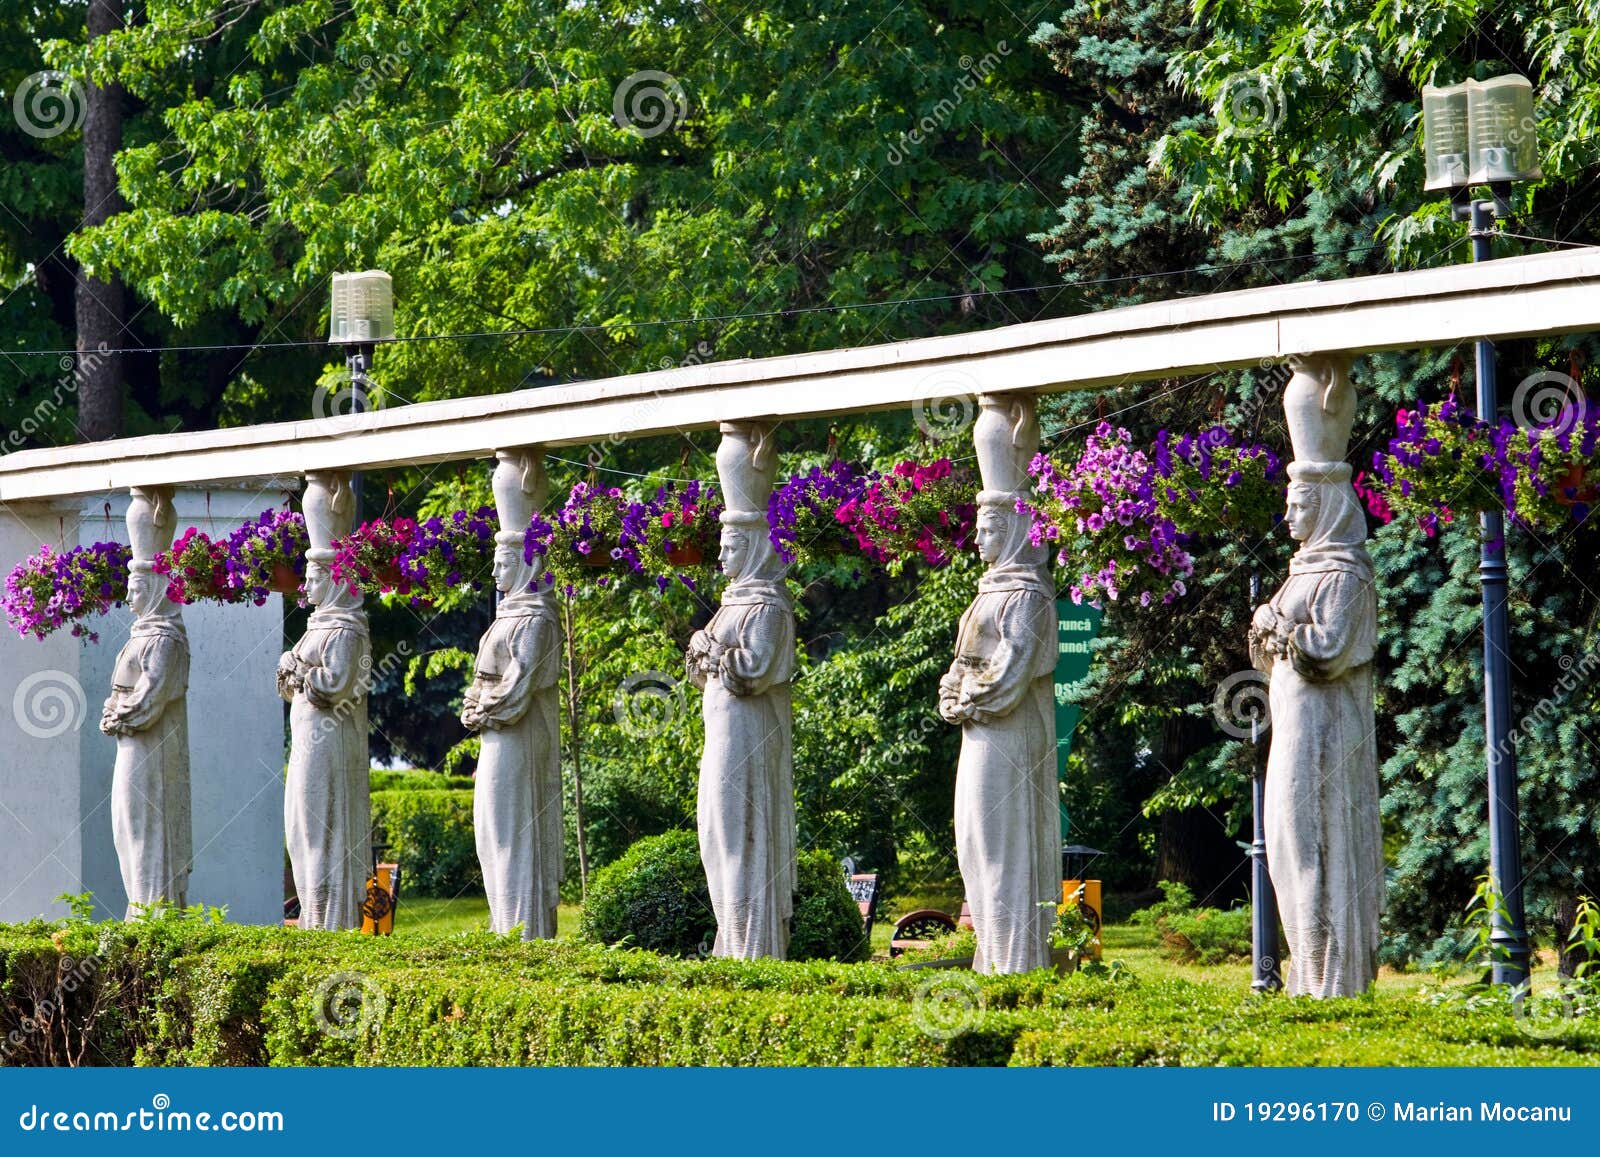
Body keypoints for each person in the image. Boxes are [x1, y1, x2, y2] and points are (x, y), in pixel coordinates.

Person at [1249, 465, 1382, 996]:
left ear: (1327, 507)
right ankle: (1308, 967)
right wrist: (1263, 629)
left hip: (1324, 729)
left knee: (1315, 838)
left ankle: (1332, 977)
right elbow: (1271, 659)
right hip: (1292, 724)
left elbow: (1328, 651)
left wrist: (1277, 625)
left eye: (1299, 505)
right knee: (1285, 840)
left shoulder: (1345, 574)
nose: (1287, 515)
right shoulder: (1301, 570)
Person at [940, 495, 1058, 973]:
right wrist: (951, 693)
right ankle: (993, 957)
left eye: (988, 529)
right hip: (977, 731)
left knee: (1002, 843)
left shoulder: (1027, 595)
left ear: (1012, 531)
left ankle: (1016, 961)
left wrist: (968, 697)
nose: (977, 539)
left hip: (1006, 732)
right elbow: (964, 662)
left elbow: (1010, 673)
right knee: (974, 840)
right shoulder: (989, 592)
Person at [687, 514, 796, 959]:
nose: (719, 555)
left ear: (753, 548)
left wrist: (710, 649)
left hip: (746, 735)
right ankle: (730, 933)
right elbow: (702, 673)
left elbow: (752, 672)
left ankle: (752, 941)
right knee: (716, 830)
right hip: (721, 733)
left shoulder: (768, 606)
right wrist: (701, 653)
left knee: (741, 828)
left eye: (729, 547)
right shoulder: (732, 603)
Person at [461, 538, 562, 939]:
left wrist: (482, 709)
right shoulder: (506, 618)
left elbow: (516, 689)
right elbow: (482, 681)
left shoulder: (537, 620)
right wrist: (472, 705)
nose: (493, 573)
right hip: (494, 737)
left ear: (526, 565)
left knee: (512, 832)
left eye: (502, 563)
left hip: (516, 737)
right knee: (490, 832)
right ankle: (504, 924)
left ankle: (523, 932)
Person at [279, 555, 371, 931]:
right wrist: (292, 670)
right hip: (305, 741)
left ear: (334, 581)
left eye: (313, 578)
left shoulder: (346, 630)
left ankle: (329, 916)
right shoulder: (315, 627)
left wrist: (297, 667)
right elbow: (288, 686)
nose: (305, 586)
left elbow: (335, 685)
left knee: (323, 824)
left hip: (327, 743)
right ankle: (312, 911)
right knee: (300, 826)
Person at [102, 565, 191, 916]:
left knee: (145, 827)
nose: (126, 598)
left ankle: (153, 911)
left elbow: (150, 699)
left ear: (155, 590)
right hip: (130, 744)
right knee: (126, 827)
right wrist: (114, 712)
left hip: (149, 749)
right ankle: (141, 907)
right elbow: (122, 694)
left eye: (135, 589)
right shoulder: (142, 637)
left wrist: (117, 715)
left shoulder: (164, 640)